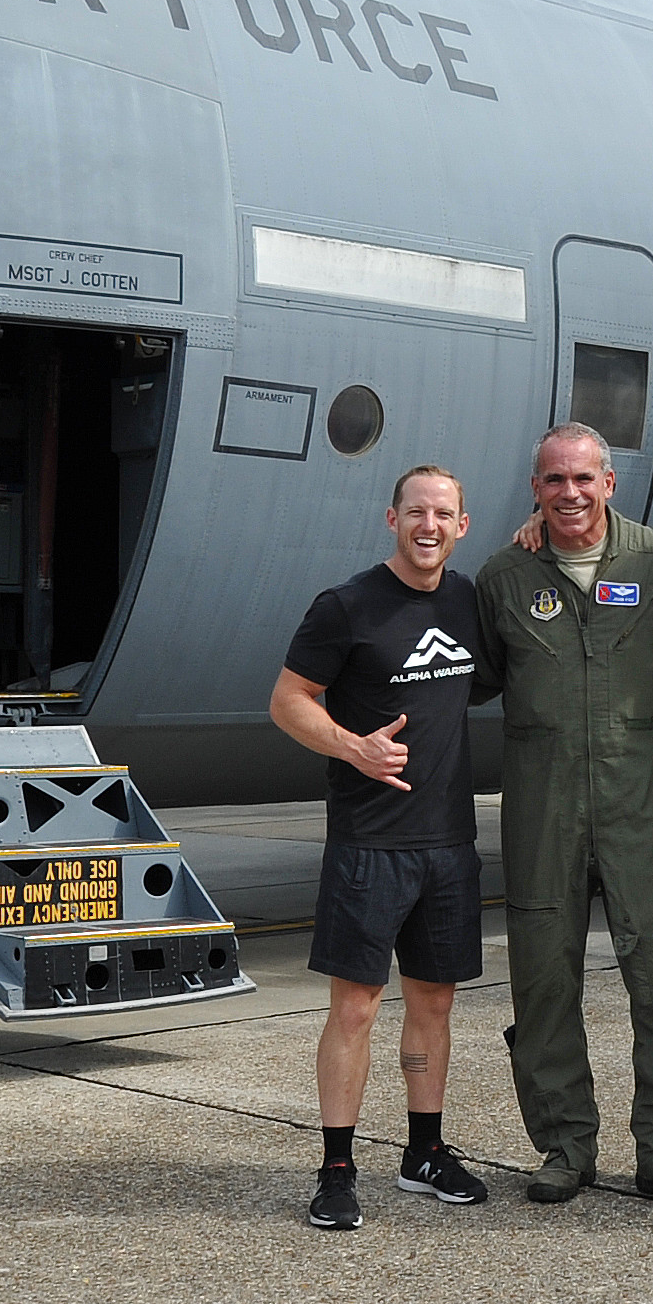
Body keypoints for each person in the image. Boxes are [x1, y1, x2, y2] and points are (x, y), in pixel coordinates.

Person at [471, 424, 653, 1209]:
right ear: (534, 490)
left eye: (583, 478)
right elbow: (471, 678)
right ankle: (564, 1146)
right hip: (543, 808)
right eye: (552, 481)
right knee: (542, 981)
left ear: (610, 482)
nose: (569, 493)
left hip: (639, 806)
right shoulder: (504, 575)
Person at [269, 464, 495, 1231]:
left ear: (462, 526)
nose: (428, 526)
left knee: (433, 1004)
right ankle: (336, 1168)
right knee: (357, 1009)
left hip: (448, 841)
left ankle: (423, 1153)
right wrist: (351, 748)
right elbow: (287, 700)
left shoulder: (468, 600)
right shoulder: (347, 606)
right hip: (370, 842)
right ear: (391, 518)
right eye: (416, 512)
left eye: (444, 514)